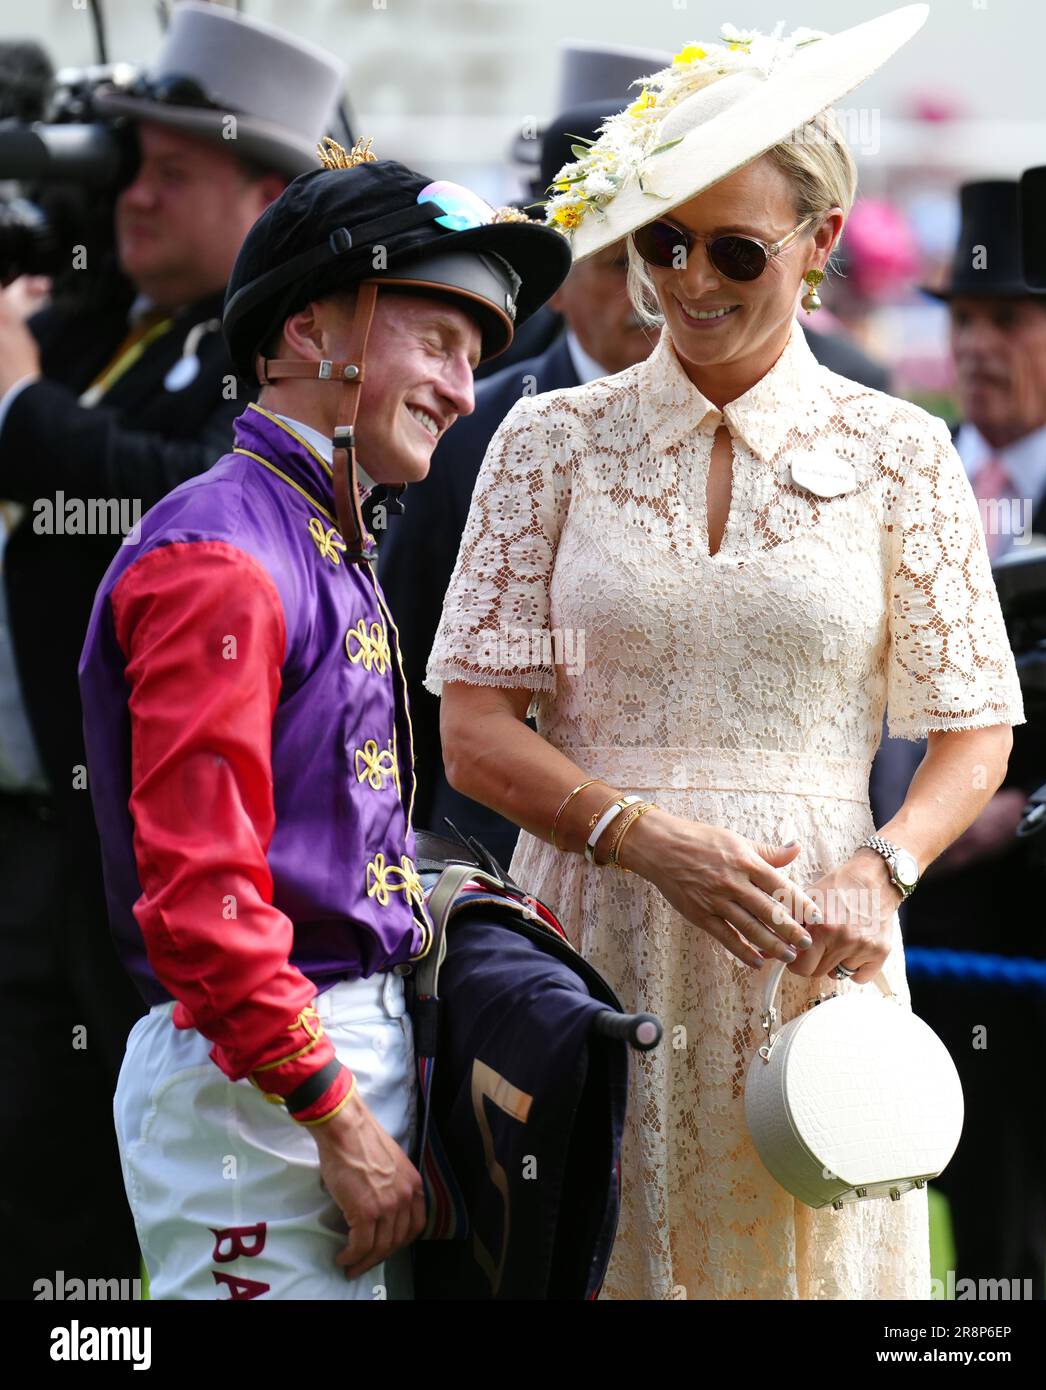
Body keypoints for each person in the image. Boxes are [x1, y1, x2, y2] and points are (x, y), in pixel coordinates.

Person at [423, 13, 1026, 1300]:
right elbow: (469, 725)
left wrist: (884, 867)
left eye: (735, 248)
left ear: (815, 247)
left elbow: (976, 726)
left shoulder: (899, 452)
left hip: (815, 951)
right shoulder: (545, 441)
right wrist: (636, 835)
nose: (690, 279)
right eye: (663, 242)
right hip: (583, 936)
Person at [77, 139, 570, 1299]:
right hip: (256, 1088)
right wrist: (337, 1121)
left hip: (316, 1060)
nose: (462, 385)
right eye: (437, 339)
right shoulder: (223, 552)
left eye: (474, 354)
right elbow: (202, 901)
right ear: (309, 333)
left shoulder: (318, 529)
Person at [0, 1, 345, 1297]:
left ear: (268, 197)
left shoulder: (270, 366)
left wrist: (19, 403)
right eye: (124, 165)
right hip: (29, 842)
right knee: (25, 1183)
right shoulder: (93, 321)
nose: (133, 197)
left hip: (142, 862)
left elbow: (189, 502)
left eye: (171, 173)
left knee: (107, 1193)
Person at [378, 98, 660, 864]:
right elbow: (403, 659)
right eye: (614, 264)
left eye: (658, 256)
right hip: (498, 860)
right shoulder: (468, 428)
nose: (645, 293)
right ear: (558, 284)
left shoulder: (745, 424)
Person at [875, 178, 1046, 1298]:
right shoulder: (913, 470)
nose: (977, 347)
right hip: (903, 907)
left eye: (1009, 320)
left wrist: (1015, 809)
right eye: (961, 320)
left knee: (1000, 1221)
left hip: (1028, 923)